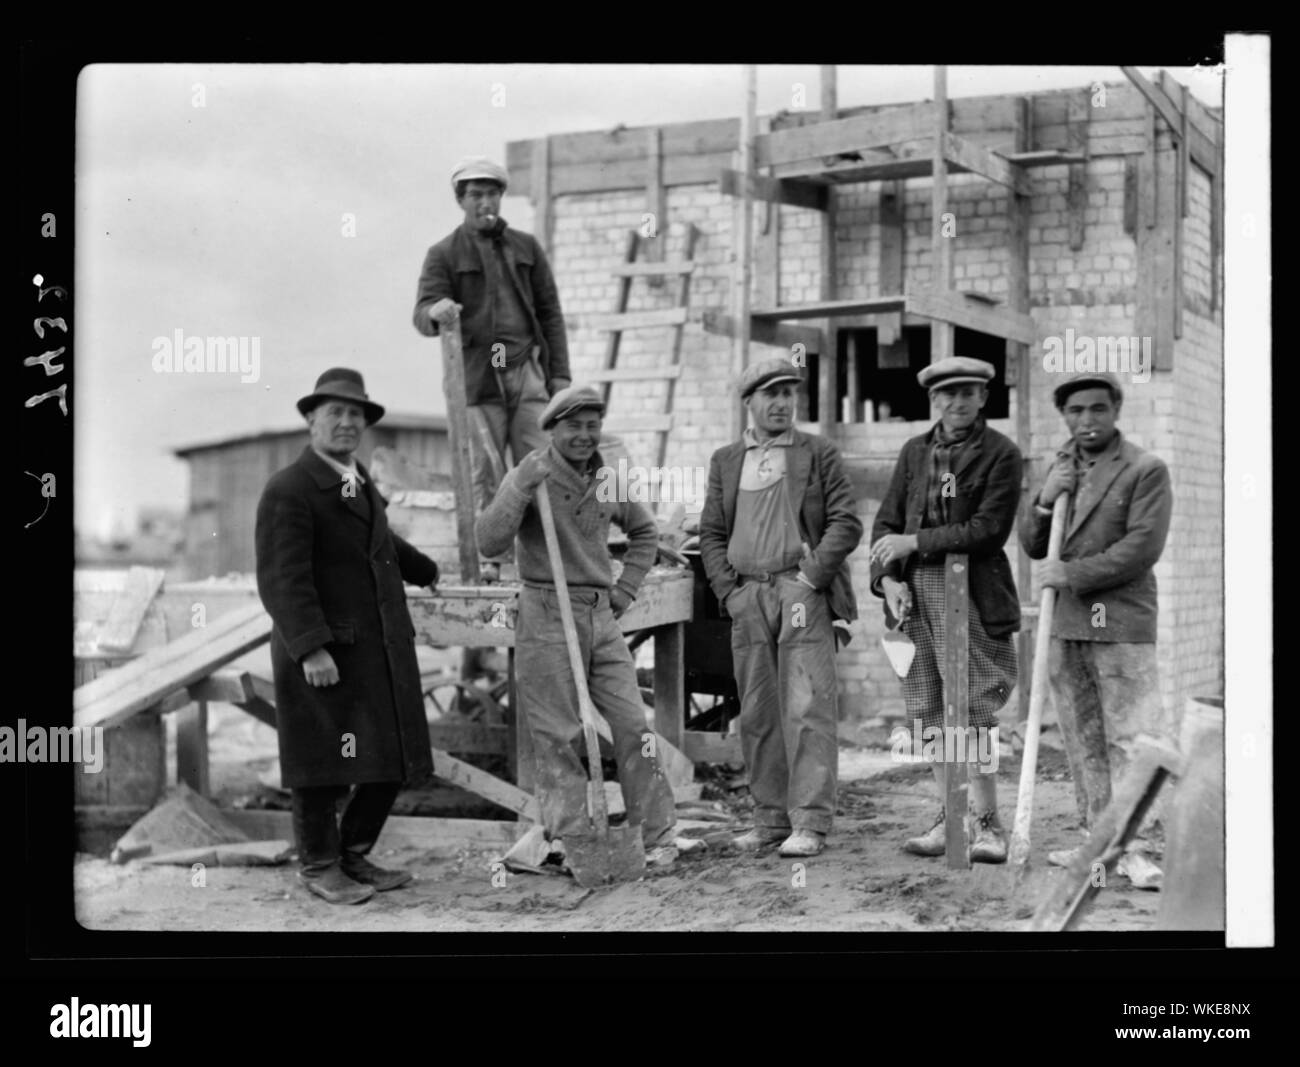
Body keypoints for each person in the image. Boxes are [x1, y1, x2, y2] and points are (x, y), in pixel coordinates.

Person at [474, 384, 685, 868]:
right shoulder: (531, 473)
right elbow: (488, 542)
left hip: (599, 613)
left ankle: (656, 835)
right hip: (545, 609)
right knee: (560, 734)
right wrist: (517, 487)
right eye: (574, 426)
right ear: (552, 429)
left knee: (634, 725)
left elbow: (646, 533)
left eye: (593, 426)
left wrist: (626, 588)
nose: (585, 436)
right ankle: (575, 841)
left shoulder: (608, 478)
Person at [255, 368, 440, 904]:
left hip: (373, 649)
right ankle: (319, 866)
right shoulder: (288, 489)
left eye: (355, 414)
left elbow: (381, 539)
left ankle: (353, 854)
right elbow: (281, 579)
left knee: (390, 756)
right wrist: (310, 647)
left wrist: (427, 570)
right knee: (320, 765)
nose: (346, 422)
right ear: (311, 420)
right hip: (324, 651)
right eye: (334, 412)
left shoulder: (356, 479)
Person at [698, 356, 863, 858]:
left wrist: (810, 580)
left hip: (800, 594)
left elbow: (846, 523)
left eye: (789, 393)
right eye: (770, 394)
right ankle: (770, 819)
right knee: (758, 712)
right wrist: (730, 591)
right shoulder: (727, 460)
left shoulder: (817, 452)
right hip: (749, 597)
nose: (782, 403)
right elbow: (711, 533)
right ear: (748, 402)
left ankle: (810, 821)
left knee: (808, 707)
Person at [1019, 371, 1173, 889]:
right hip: (1067, 626)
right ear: (1064, 415)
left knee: (1131, 740)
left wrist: (1074, 574)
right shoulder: (1057, 469)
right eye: (1076, 411)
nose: (1087, 420)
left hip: (1122, 622)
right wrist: (1044, 500)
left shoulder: (1145, 470)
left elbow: (1142, 547)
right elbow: (1034, 546)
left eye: (1098, 409)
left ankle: (1140, 847)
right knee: (1082, 740)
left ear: (1116, 411)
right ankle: (1097, 843)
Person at [868, 357, 1022, 863]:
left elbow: (987, 530)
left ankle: (987, 824)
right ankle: (947, 816)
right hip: (915, 597)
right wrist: (887, 581)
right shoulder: (915, 453)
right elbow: (885, 524)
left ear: (983, 398)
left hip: (972, 593)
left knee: (972, 709)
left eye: (967, 393)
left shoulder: (1001, 453)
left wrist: (914, 540)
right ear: (932, 401)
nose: (956, 402)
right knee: (929, 707)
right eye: (945, 395)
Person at [412, 156, 571, 580]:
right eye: (476, 194)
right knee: (484, 473)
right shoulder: (443, 254)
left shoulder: (525, 248)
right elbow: (421, 314)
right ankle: (491, 563)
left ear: (502, 197)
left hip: (525, 371)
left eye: (492, 193)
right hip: (478, 377)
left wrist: (559, 378)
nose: (485, 202)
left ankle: (545, 562)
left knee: (544, 465)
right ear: (461, 200)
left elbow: (550, 314)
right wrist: (436, 310)